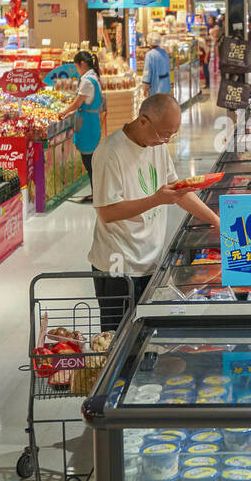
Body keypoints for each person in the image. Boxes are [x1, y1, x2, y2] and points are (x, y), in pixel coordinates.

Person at [89, 94, 219, 330]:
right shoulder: (110, 153)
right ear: (143, 121)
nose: (166, 140)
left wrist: (216, 221)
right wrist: (156, 199)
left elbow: (178, 191)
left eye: (172, 134)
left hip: (150, 260)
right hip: (119, 265)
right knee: (117, 338)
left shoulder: (156, 144)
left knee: (143, 335)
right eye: (163, 133)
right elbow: (107, 212)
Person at [57, 50, 106, 204]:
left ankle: (97, 194)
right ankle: (96, 192)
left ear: (82, 64)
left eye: (76, 66)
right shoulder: (94, 77)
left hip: (87, 124)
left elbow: (77, 103)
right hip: (91, 121)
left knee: (89, 160)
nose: (76, 70)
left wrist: (63, 112)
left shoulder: (86, 81)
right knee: (91, 160)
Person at [141, 32, 171, 97]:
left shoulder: (149, 55)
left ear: (149, 42)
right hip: (166, 88)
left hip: (156, 89)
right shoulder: (164, 52)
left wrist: (145, 90)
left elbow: (147, 73)